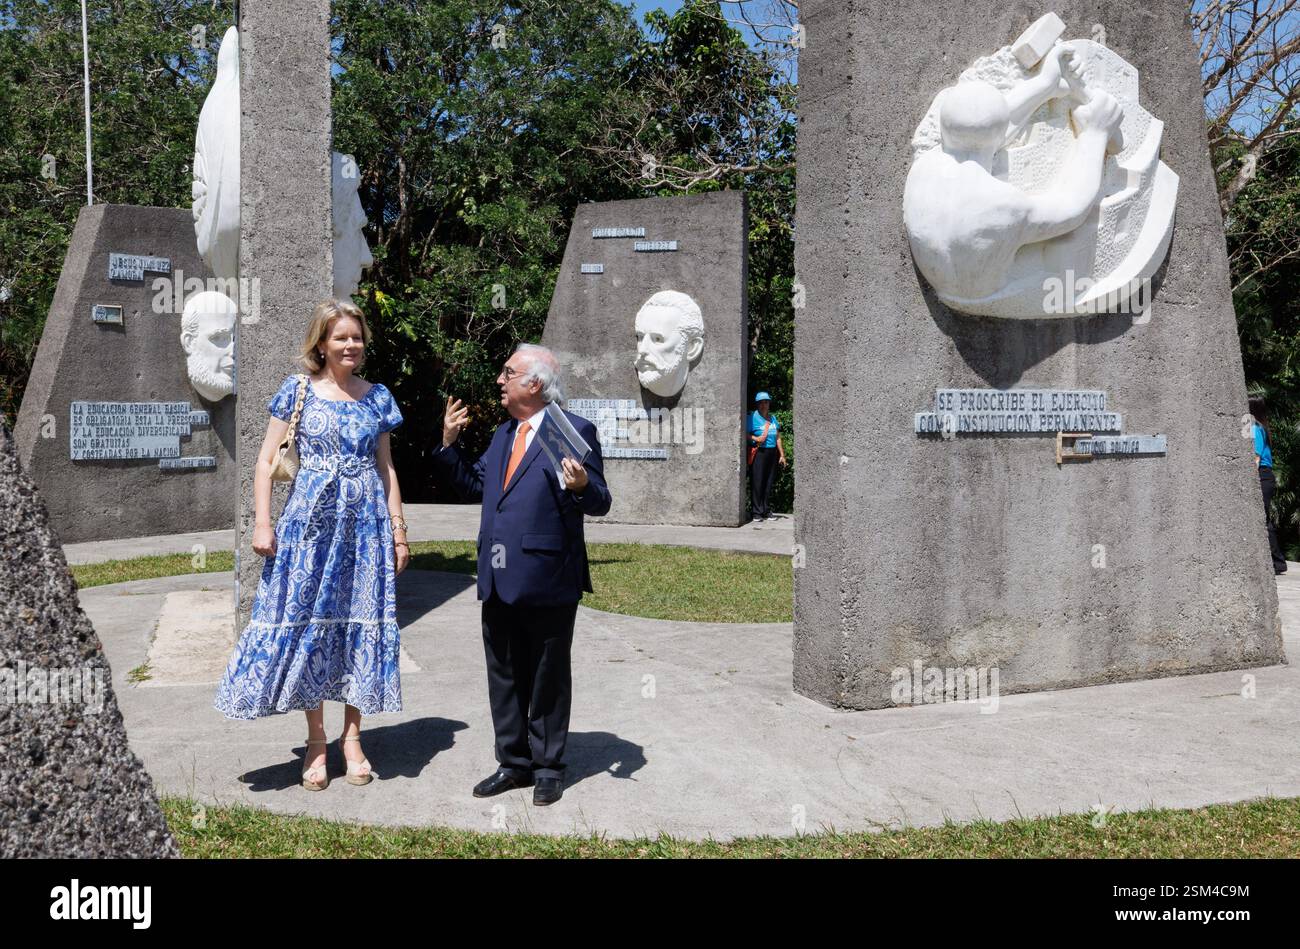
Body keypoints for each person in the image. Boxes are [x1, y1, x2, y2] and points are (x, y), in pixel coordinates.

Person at [214, 299, 409, 792]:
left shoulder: (377, 397)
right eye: (341, 337)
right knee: (310, 627)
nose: (351, 346)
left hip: (365, 528)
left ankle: (354, 739)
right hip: (309, 527)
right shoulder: (297, 390)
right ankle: (317, 741)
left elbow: (385, 468)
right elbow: (265, 462)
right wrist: (262, 524)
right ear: (321, 343)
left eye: (357, 338)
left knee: (358, 627)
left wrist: (398, 531)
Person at [434, 343, 611, 806]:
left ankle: (549, 766)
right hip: (496, 574)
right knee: (505, 673)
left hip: (548, 576)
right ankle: (513, 764)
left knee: (547, 675)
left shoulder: (566, 430)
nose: (499, 379)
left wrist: (582, 486)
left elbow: (600, 501)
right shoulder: (503, 435)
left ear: (534, 383)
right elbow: (474, 485)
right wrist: (449, 445)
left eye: (507, 372)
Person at [1249, 397, 1287, 575]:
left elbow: (1255, 457)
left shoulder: (1256, 428)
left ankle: (1278, 562)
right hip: (1265, 476)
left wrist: (1249, 481)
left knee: (1262, 519)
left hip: (1262, 475)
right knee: (1264, 519)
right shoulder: (1255, 426)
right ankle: (1276, 561)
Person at [748, 391, 786, 521]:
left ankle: (765, 510)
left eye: (766, 402)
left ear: (769, 403)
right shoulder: (752, 417)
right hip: (760, 452)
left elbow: (778, 437)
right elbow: (745, 433)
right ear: (758, 404)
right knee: (758, 481)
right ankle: (756, 512)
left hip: (772, 453)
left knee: (769, 482)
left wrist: (782, 455)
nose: (764, 404)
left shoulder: (773, 418)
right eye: (762, 402)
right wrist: (755, 438)